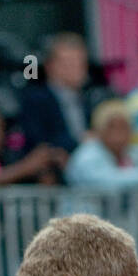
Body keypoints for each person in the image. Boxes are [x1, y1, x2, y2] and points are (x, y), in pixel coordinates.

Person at [19, 33, 112, 180]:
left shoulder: (92, 100)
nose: (76, 69)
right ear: (50, 66)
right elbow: (38, 143)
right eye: (68, 63)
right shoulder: (35, 99)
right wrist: (81, 141)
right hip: (56, 175)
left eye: (80, 63)